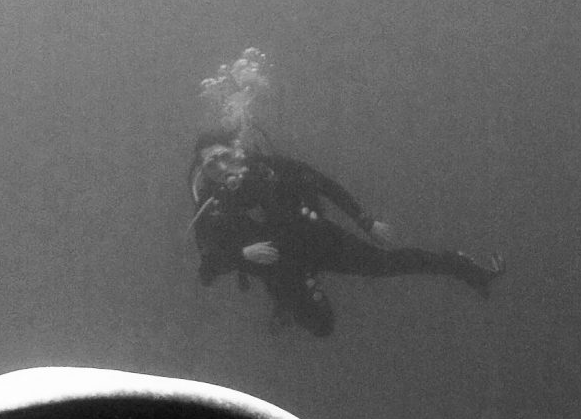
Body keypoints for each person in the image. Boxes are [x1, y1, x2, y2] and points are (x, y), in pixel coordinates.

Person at [190, 130, 504, 336]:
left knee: (387, 264)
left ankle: (461, 267)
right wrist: (241, 254)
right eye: (209, 165)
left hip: (320, 240)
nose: (220, 168)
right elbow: (207, 270)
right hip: (282, 268)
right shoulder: (210, 206)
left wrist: (365, 221)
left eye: (223, 156)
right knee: (322, 327)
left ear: (237, 149)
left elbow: (322, 183)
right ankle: (290, 301)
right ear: (202, 173)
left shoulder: (269, 168)